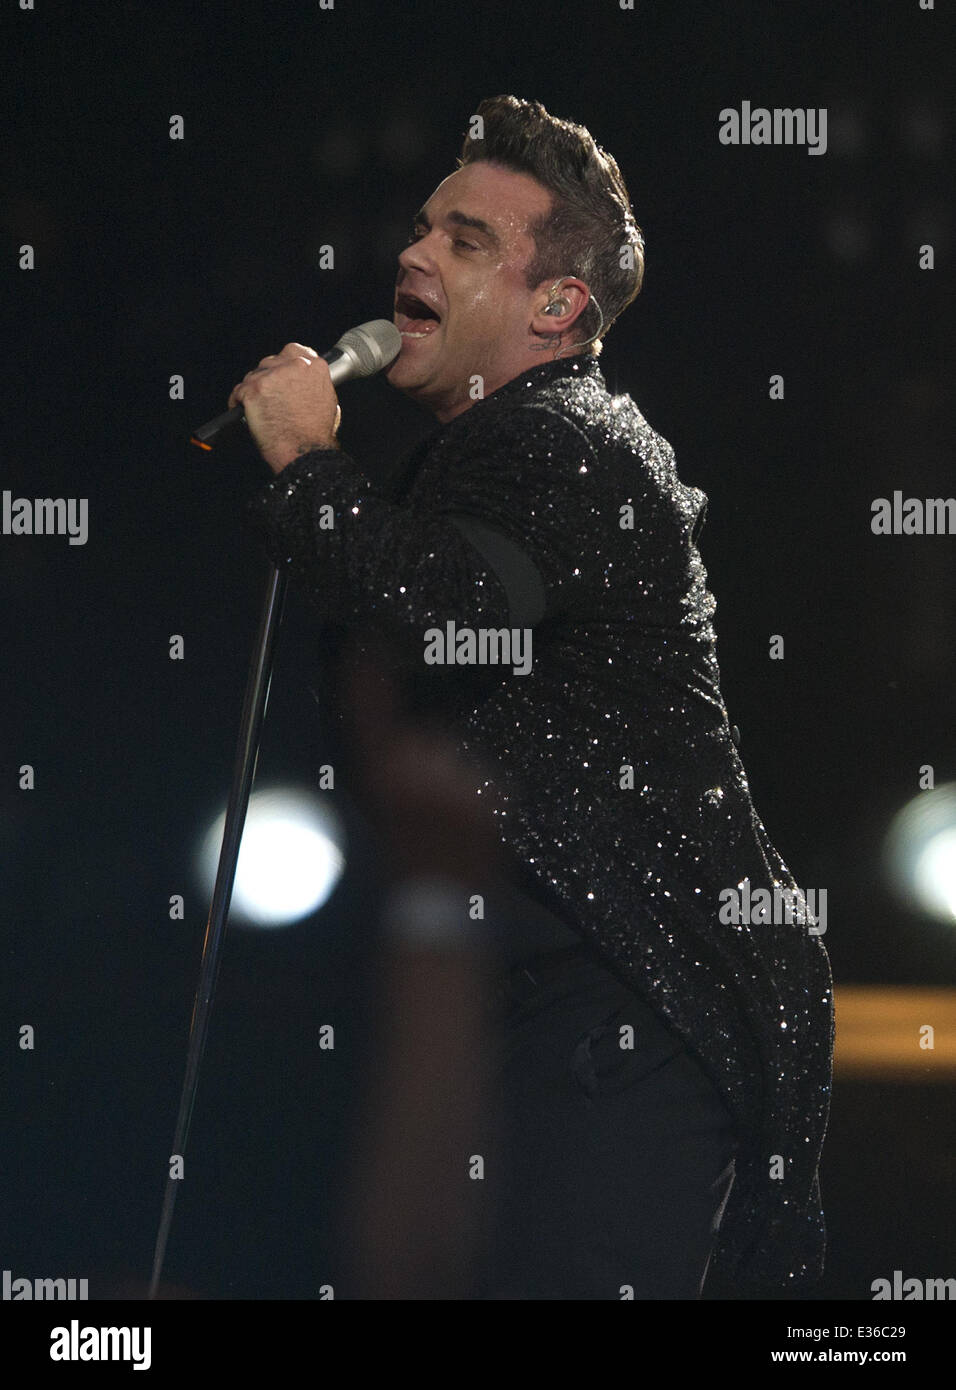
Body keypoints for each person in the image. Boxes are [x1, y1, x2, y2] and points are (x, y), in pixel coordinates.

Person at [234, 94, 834, 1297]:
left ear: (554, 305)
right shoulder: (486, 453)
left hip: (635, 992)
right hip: (554, 985)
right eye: (422, 228)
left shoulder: (564, 437)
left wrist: (306, 463)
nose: (413, 254)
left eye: (464, 241)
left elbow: (450, 610)